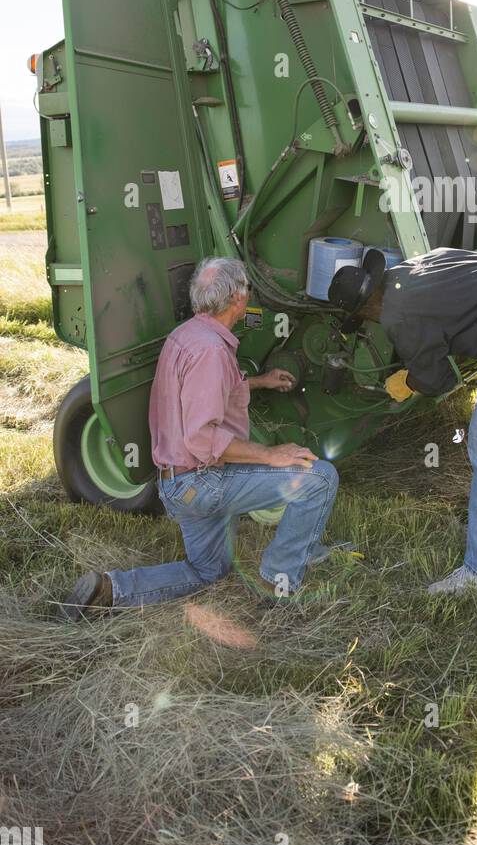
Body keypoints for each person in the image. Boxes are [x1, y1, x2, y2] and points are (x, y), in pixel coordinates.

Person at [62, 257, 339, 619]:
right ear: (238, 299)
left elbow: (206, 392)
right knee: (319, 478)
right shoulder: (211, 351)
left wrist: (260, 381)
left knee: (208, 570)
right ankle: (278, 579)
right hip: (204, 481)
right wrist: (270, 454)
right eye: (248, 291)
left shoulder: (189, 336)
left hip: (179, 485)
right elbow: (202, 440)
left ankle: (112, 588)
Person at [329, 246, 477, 595]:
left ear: (368, 306)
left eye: (366, 316)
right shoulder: (414, 268)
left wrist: (407, 381)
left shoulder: (395, 313)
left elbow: (439, 380)